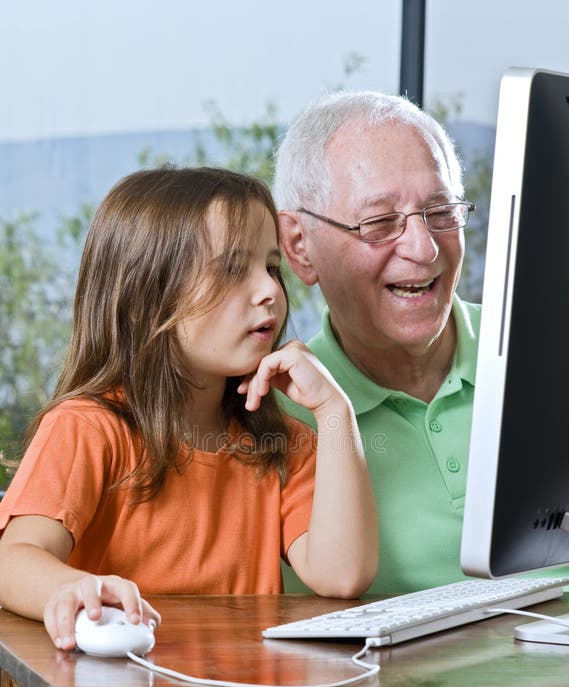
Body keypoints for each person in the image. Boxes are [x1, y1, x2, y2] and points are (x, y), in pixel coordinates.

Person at [0, 166, 378, 650]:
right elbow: (13, 560)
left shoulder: (281, 444)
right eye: (232, 270)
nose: (269, 291)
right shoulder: (86, 429)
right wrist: (72, 590)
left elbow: (343, 575)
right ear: (146, 301)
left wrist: (335, 410)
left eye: (271, 268)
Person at [273, 90, 481, 595]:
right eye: (380, 223)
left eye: (441, 211)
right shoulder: (266, 417)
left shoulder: (551, 353)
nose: (424, 248)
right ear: (299, 246)